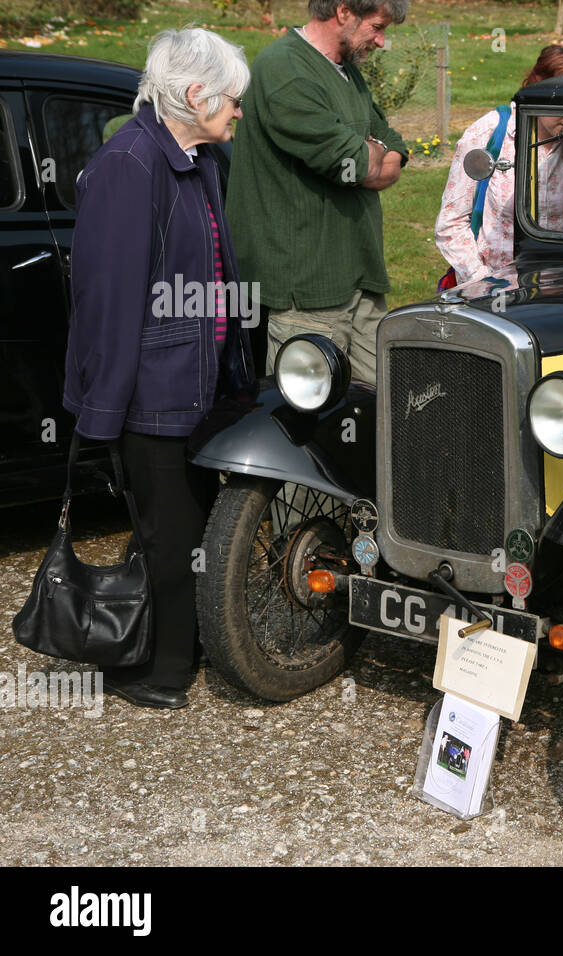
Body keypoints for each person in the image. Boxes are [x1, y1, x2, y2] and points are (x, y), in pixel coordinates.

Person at [62, 28, 256, 710]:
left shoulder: (196, 157)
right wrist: (103, 411)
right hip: (152, 389)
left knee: (185, 529)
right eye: (231, 100)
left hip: (195, 382)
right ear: (195, 94)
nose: (238, 112)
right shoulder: (129, 164)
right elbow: (110, 297)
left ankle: (179, 651)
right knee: (167, 536)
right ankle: (165, 670)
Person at [227, 0, 410, 386]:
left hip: (360, 279)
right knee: (308, 423)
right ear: (344, 12)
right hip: (307, 290)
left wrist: (373, 153)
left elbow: (392, 144)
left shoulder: (344, 69)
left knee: (383, 408)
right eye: (377, 27)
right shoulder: (285, 70)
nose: (381, 41)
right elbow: (355, 161)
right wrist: (369, 155)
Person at [435, 45, 563, 288]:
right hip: (497, 289)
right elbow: (451, 223)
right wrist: (484, 282)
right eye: (562, 105)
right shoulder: (488, 134)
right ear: (536, 88)